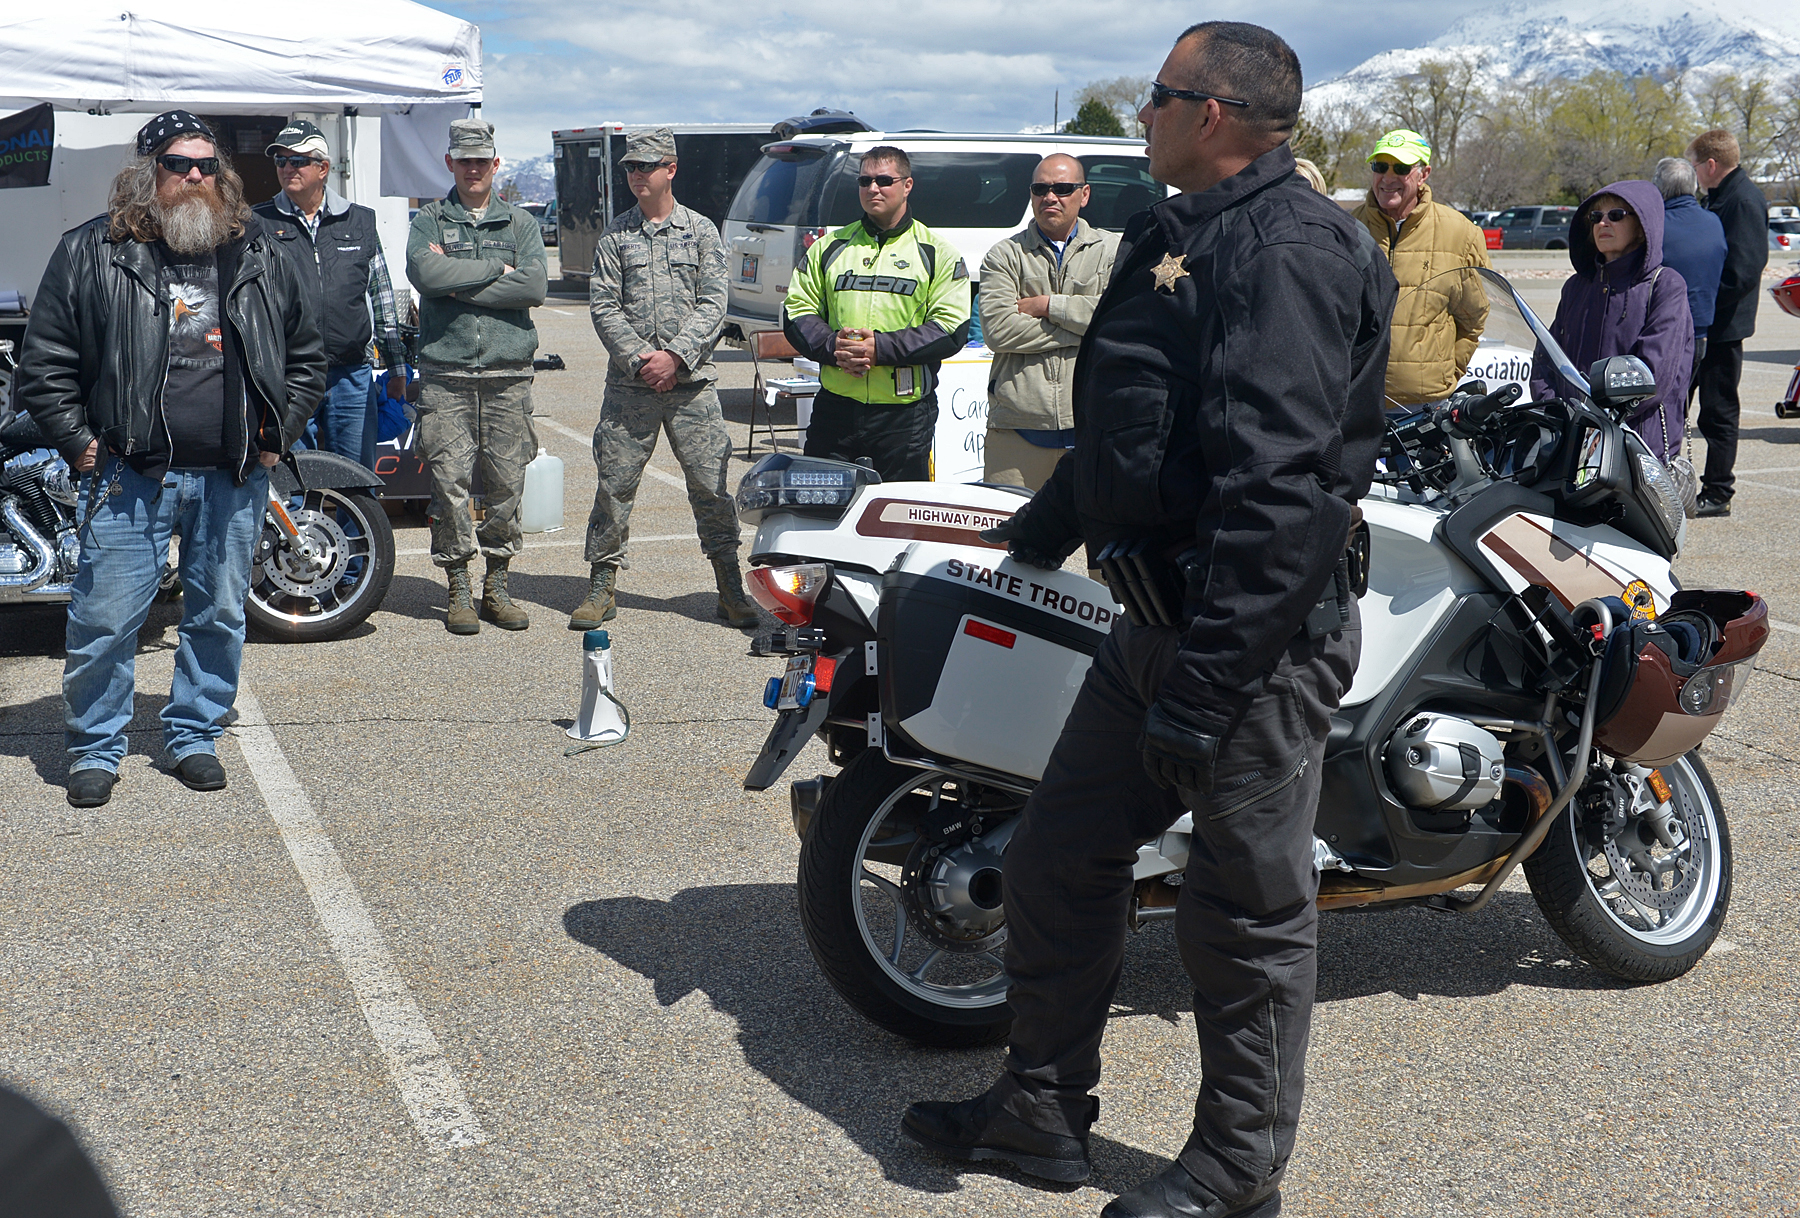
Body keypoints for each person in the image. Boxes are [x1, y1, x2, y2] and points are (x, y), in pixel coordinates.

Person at [903, 22, 1394, 1218]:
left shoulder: (1289, 250)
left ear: (1216, 113)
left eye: (1160, 98)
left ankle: (1238, 1171)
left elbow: (1284, 494)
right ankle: (1040, 1110)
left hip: (1251, 650)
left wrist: (1209, 683)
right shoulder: (1176, 233)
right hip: (1153, 630)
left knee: (1242, 916)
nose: (1142, 118)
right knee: (1058, 858)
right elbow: (1131, 424)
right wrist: (1032, 535)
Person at [16, 110, 324, 808]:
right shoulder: (92, 249)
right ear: (146, 171)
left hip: (234, 470)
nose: (193, 176)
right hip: (130, 472)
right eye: (177, 164)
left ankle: (194, 736)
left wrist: (280, 430)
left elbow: (309, 355)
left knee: (217, 614)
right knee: (104, 620)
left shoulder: (262, 251)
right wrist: (81, 443)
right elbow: (44, 366)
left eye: (206, 165)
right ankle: (96, 746)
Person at [572, 127, 755, 631]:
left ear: (670, 169)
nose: (635, 175)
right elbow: (604, 305)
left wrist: (674, 357)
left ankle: (728, 586)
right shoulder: (616, 235)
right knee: (614, 485)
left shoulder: (701, 232)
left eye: (645, 166)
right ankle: (602, 586)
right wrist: (640, 360)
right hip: (631, 389)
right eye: (630, 167)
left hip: (691, 386)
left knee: (710, 487)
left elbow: (715, 303)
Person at [405, 117, 548, 634]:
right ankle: (459, 586)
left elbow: (534, 287)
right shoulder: (430, 221)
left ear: (495, 163)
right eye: (463, 160)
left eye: (481, 160)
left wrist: (456, 283)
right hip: (448, 376)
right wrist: (494, 272)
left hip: (509, 375)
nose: (472, 168)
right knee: (449, 485)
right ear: (450, 163)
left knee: (509, 484)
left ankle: (498, 585)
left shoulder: (520, 224)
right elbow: (425, 274)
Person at [783, 146, 972, 481]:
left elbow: (950, 327)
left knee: (897, 520)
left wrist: (879, 349)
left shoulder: (937, 252)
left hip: (903, 416)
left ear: (907, 185)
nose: (873, 188)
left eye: (884, 180)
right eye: (865, 180)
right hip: (836, 409)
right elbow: (797, 310)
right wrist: (833, 347)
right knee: (822, 512)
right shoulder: (830, 247)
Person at [252, 118, 407, 470]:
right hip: (287, 375)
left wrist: (396, 366)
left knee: (355, 480)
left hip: (351, 374)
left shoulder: (360, 221)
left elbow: (381, 298)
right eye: (281, 161)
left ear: (323, 168)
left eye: (298, 160)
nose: (288, 168)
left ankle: (359, 530)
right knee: (288, 479)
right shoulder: (256, 223)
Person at [979, 154, 1120, 490]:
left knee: (1087, 543)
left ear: (1084, 194)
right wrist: (1086, 328)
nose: (1050, 197)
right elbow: (998, 331)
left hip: (1093, 431)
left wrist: (1047, 305)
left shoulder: (1114, 251)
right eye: (1040, 188)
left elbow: (1121, 320)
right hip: (1016, 434)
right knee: (1008, 540)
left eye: (1062, 188)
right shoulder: (1004, 255)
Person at [1530, 182, 1692, 462]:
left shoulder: (1665, 286)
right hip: (1571, 439)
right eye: (1596, 217)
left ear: (1642, 225)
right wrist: (1556, 414)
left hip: (1636, 448)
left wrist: (1600, 422)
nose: (1603, 222)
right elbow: (1546, 361)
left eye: (1616, 215)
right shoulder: (1576, 287)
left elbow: (1652, 375)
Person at [1351, 128, 1490, 407]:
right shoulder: (1346, 228)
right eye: (1380, 166)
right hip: (1356, 402)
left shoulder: (1460, 233)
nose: (1388, 178)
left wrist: (1446, 374)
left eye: (1401, 168)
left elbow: (1474, 318)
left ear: (1423, 174)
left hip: (1426, 407)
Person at [1688, 128, 1769, 517]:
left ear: (1711, 164)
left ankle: (1718, 492)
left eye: (1695, 166)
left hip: (1722, 328)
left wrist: (1703, 306)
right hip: (1704, 324)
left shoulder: (1743, 200)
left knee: (1718, 413)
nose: (1694, 174)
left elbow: (1743, 271)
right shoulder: (1720, 197)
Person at [1653, 156, 1727, 405]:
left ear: (1658, 187)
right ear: (1693, 186)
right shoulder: (1713, 223)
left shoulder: (1655, 226)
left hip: (1659, 333)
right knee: (1678, 409)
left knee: (1655, 414)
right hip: (1699, 333)